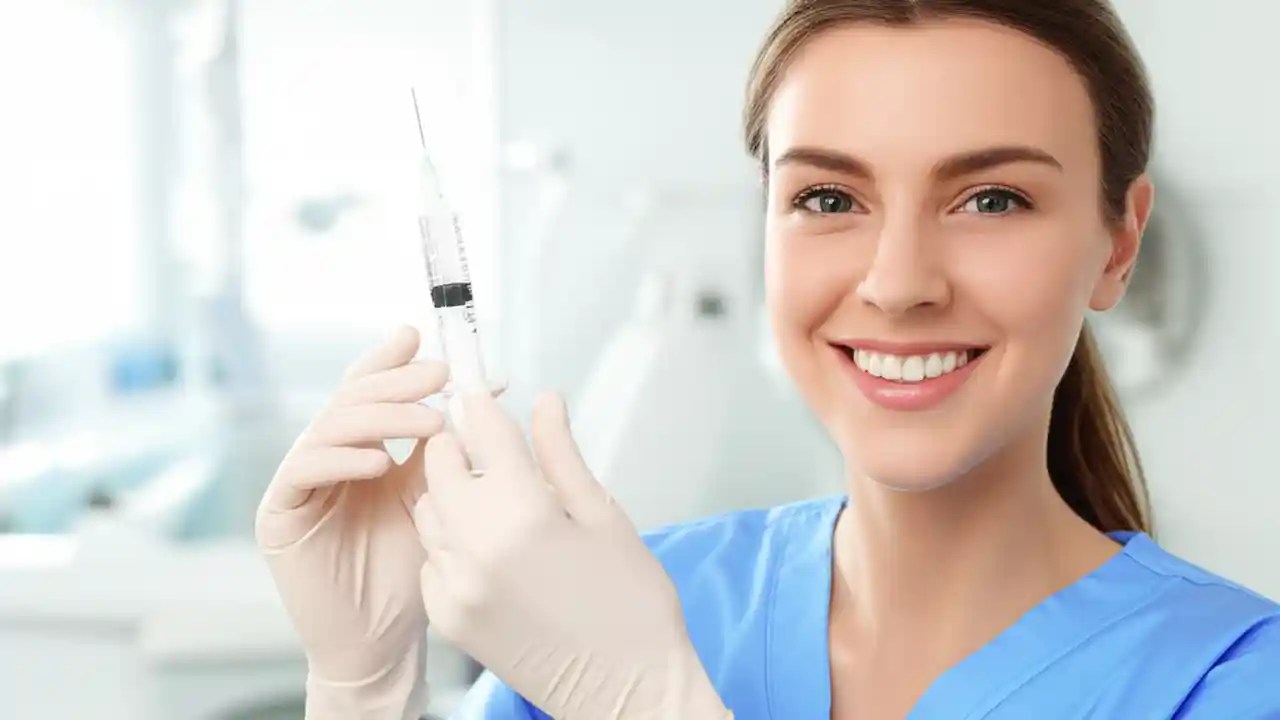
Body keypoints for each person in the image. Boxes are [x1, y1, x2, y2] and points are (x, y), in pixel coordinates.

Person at [256, 1, 1280, 718]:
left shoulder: (1230, 682)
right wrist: (361, 686)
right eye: (826, 200)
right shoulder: (619, 601)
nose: (896, 280)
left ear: (1117, 242)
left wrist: (652, 708)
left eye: (990, 199)